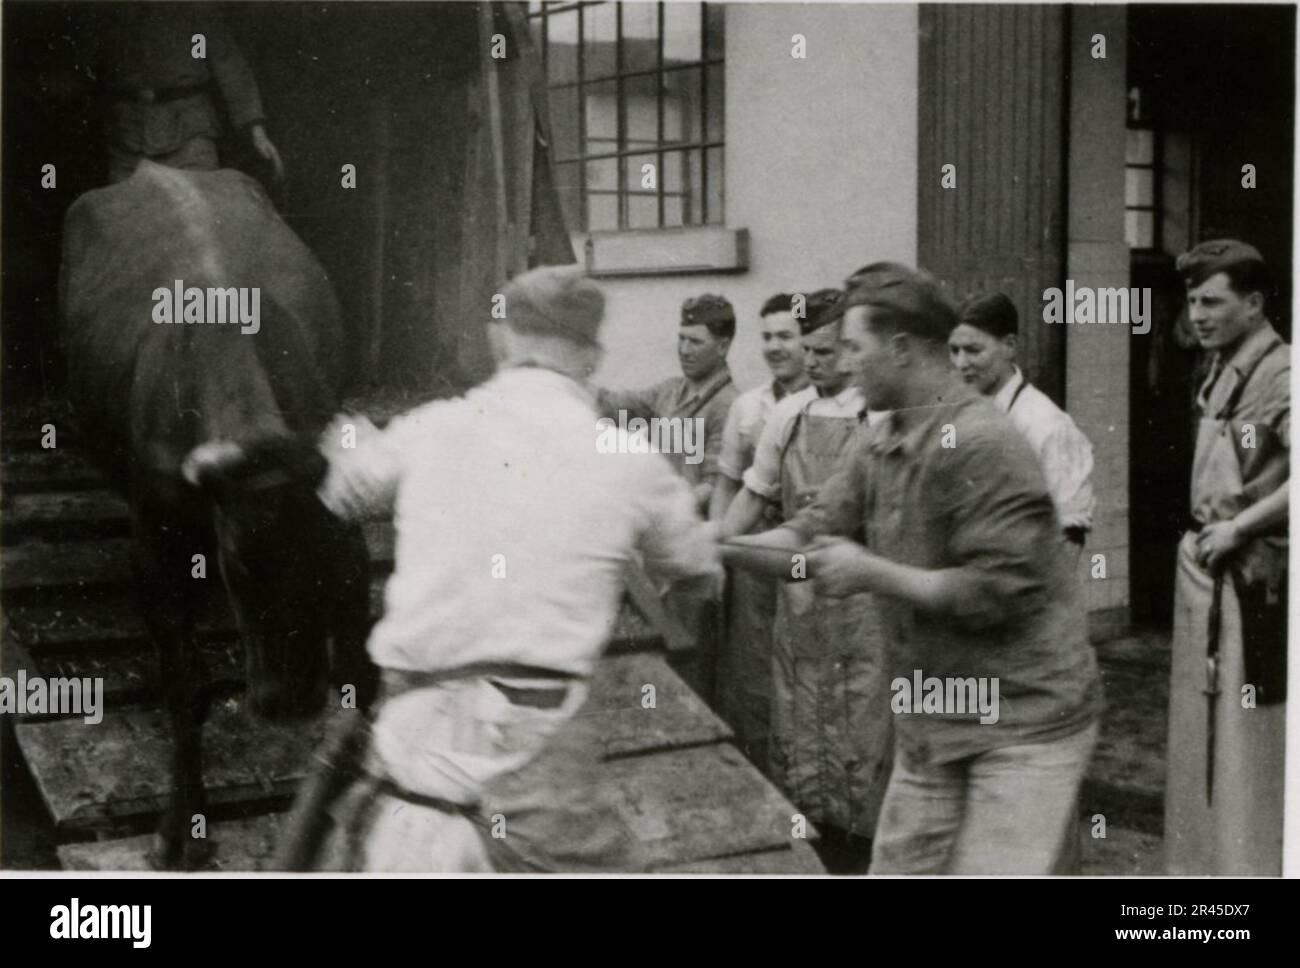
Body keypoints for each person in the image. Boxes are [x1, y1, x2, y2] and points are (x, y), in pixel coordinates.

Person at [304, 265, 721, 872]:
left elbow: (344, 488)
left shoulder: (430, 428)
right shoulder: (630, 461)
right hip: (539, 752)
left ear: (501, 338)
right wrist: (699, 538)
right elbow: (697, 570)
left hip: (414, 743)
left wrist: (349, 437)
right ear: (590, 354)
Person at [724, 265, 1102, 874]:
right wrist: (712, 547)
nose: (843, 364)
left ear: (899, 349)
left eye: (853, 348)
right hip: (936, 714)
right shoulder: (883, 437)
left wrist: (871, 573)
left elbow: (995, 591)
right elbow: (808, 533)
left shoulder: (985, 442)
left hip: (1023, 721)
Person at [719, 288, 891, 873]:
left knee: (864, 725)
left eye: (825, 351)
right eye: (809, 350)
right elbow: (754, 494)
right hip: (799, 599)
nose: (814, 362)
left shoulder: (880, 416)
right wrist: (715, 543)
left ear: (847, 350)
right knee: (799, 720)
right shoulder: (786, 417)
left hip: (865, 599)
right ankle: (811, 851)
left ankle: (866, 853)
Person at [1164, 239, 1288, 876]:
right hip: (1207, 573)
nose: (1199, 313)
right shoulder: (1218, 368)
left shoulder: (1283, 373)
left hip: (1254, 580)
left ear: (1255, 303)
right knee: (1200, 737)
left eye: (1213, 300)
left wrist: (1240, 527)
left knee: (1246, 742)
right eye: (1193, 301)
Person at [707, 292, 810, 772]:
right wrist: (717, 550)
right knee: (752, 671)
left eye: (785, 335)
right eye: (766, 336)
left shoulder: (829, 405)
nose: (774, 346)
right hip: (753, 560)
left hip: (804, 560)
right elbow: (727, 487)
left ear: (808, 340)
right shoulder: (748, 408)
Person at [949, 292, 1096, 548]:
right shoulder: (953, 416)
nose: (961, 363)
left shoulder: (1048, 425)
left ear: (1010, 346)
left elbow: (1070, 535)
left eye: (973, 350)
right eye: (954, 350)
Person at [92, 5, 284, 183]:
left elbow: (228, 64)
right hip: (128, 138)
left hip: (189, 133)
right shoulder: (112, 9)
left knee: (201, 208)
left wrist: (256, 130)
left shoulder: (194, 7)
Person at [596, 294, 739, 514]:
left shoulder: (729, 405)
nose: (684, 350)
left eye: (695, 342)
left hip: (688, 527)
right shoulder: (670, 390)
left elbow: (715, 487)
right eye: (682, 339)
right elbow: (613, 406)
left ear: (722, 346)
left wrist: (660, 511)